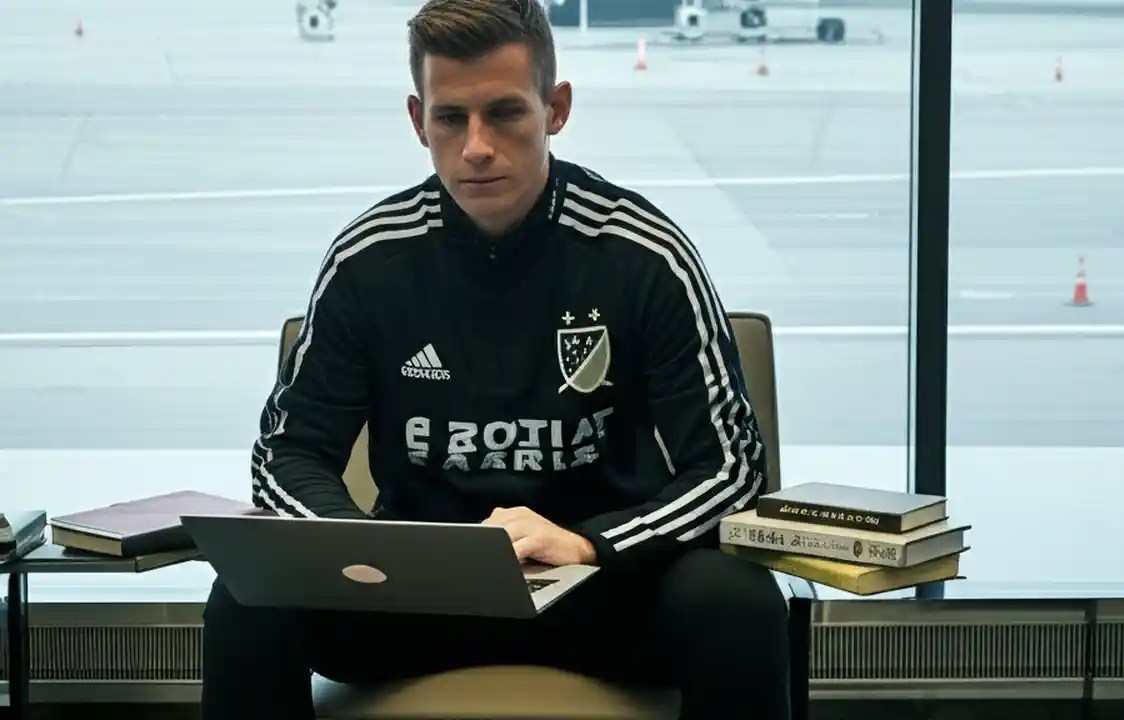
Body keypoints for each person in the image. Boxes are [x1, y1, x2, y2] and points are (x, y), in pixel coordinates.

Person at [200, 0, 791, 717]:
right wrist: (369, 549)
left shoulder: (644, 254)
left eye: (505, 113)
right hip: (412, 596)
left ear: (556, 109)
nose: (477, 147)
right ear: (418, 121)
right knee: (243, 598)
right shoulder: (368, 260)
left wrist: (591, 544)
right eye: (451, 118)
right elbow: (286, 455)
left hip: (600, 589)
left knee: (736, 599)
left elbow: (732, 469)